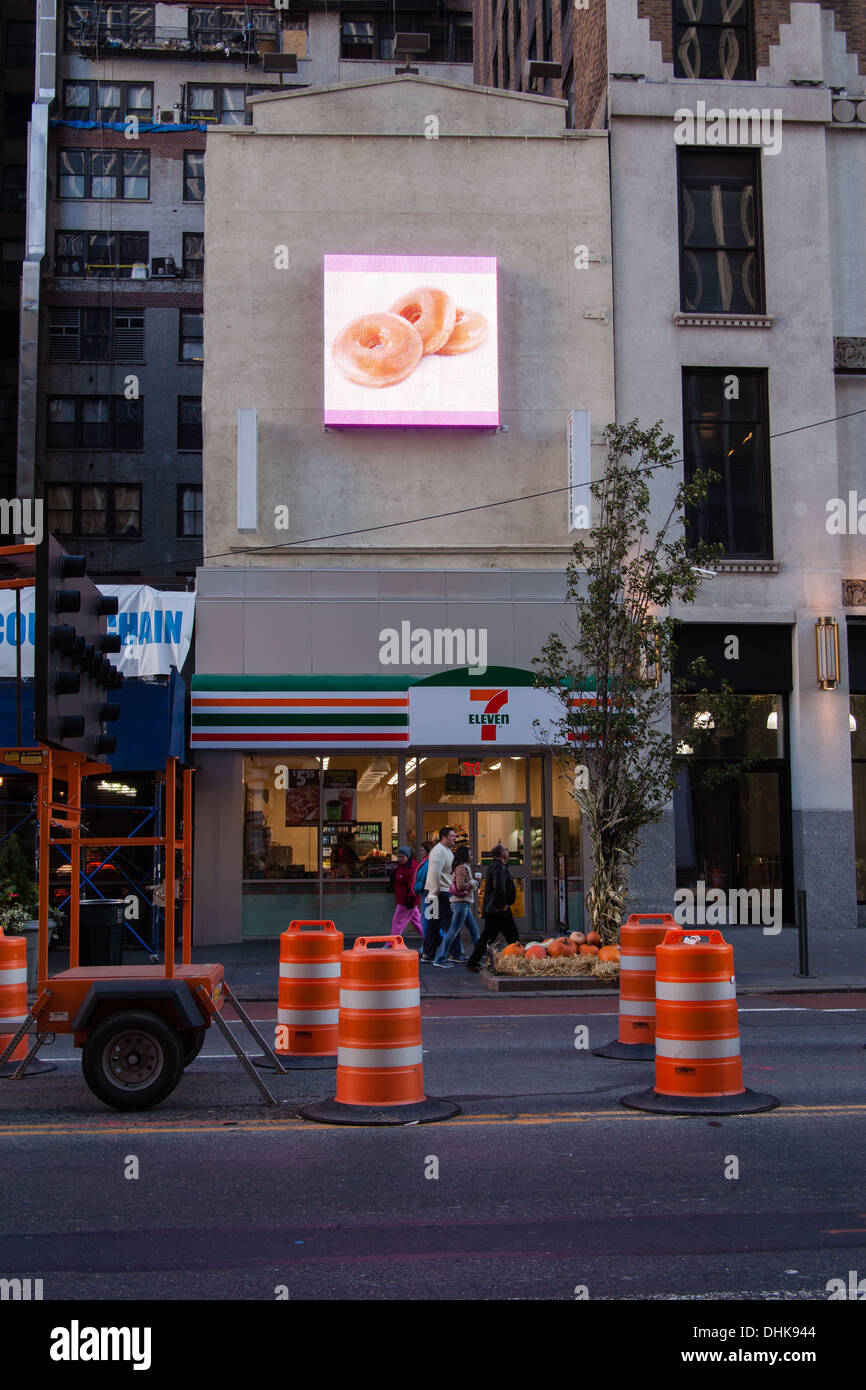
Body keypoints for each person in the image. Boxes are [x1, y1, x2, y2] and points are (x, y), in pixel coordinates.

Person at [467, 842, 519, 971]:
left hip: (499, 909)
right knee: (489, 937)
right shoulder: (499, 868)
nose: (508, 851)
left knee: (511, 935)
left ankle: (516, 960)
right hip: (498, 909)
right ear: (501, 853)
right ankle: (473, 962)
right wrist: (502, 905)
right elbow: (499, 887)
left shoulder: (497, 866)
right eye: (506, 849)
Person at [434, 845, 481, 966]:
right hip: (460, 903)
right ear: (465, 856)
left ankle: (480, 956)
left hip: (463, 903)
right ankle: (440, 958)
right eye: (470, 854)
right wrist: (473, 883)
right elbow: (460, 886)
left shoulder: (463, 867)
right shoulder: (461, 868)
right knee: (453, 932)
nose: (471, 856)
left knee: (474, 930)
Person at [421, 825, 455, 963]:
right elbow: (435, 873)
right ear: (444, 838)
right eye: (452, 836)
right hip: (438, 892)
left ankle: (430, 952)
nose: (454, 839)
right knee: (444, 923)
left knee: (434, 923)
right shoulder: (439, 851)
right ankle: (446, 953)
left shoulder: (447, 850)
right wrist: (433, 894)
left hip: (440, 891)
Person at [390, 845, 421, 939]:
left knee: (397, 922)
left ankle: (391, 943)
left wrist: (410, 900)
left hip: (406, 901)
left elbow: (412, 886)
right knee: (418, 922)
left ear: (408, 857)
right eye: (398, 856)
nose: (400, 858)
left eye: (402, 856)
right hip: (407, 900)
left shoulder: (410, 869)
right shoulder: (402, 866)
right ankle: (432, 941)